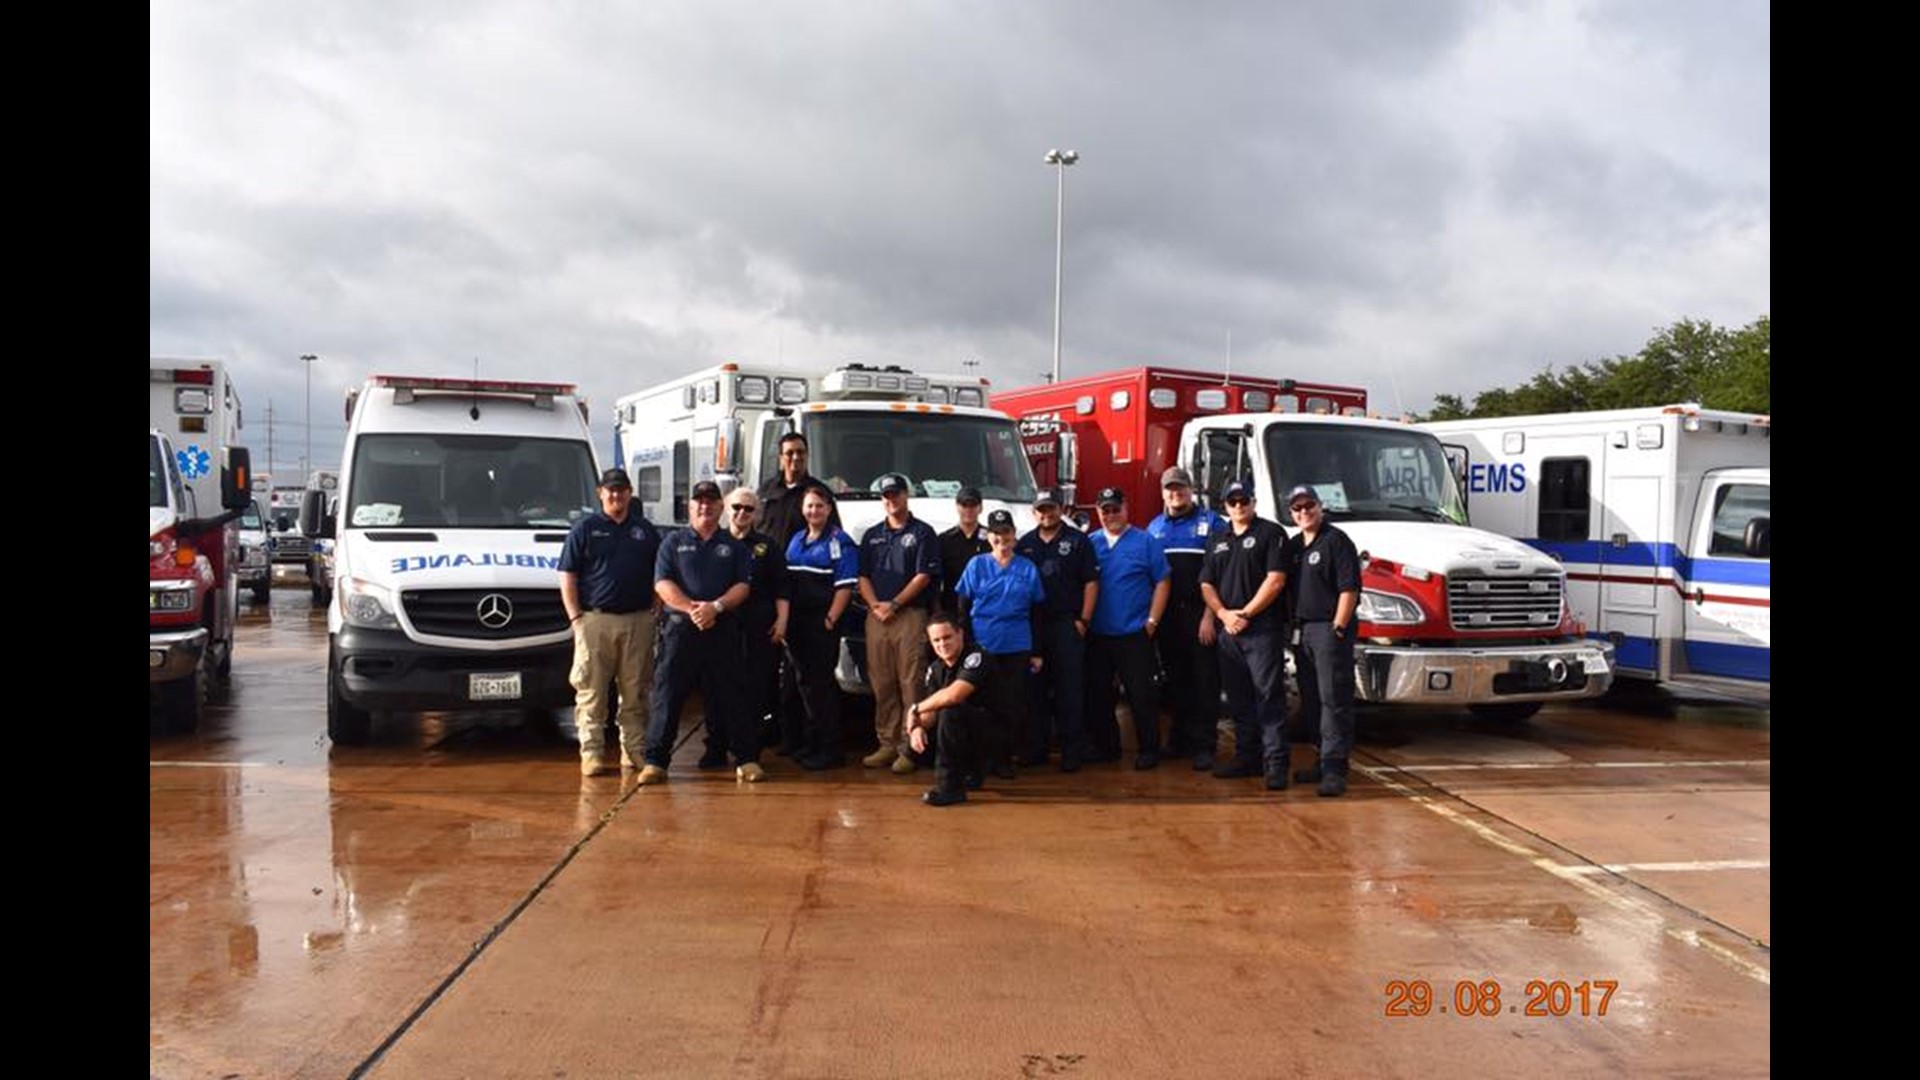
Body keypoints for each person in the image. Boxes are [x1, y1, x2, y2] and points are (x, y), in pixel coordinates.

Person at [639, 480, 758, 785]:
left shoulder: (734, 547)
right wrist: (692, 609)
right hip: (681, 631)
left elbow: (743, 586)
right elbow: (662, 584)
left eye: (711, 501)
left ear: (721, 507)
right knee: (668, 695)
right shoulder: (673, 542)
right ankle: (655, 761)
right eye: (699, 501)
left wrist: (715, 607)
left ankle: (746, 758)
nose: (705, 506)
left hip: (721, 629)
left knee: (733, 694)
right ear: (690, 507)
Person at [557, 467, 663, 776]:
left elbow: (662, 572)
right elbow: (568, 575)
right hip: (594, 621)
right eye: (610, 490)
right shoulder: (585, 529)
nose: (616, 495)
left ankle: (633, 751)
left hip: (638, 621)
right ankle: (591, 753)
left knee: (635, 691)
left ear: (630, 493)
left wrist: (655, 609)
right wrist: (576, 617)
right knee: (591, 691)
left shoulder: (645, 531)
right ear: (601, 493)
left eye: (621, 489)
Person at [1198, 478, 1291, 788]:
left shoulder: (1270, 533)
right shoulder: (1217, 538)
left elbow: (1275, 580)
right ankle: (1246, 758)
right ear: (1224, 505)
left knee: (1268, 697)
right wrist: (1223, 614)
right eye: (1232, 501)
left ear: (1253, 501)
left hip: (1261, 629)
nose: (1239, 506)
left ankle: (1275, 764)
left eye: (1244, 500)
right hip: (1229, 631)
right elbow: (1207, 583)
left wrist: (1247, 613)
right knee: (1238, 699)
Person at [1281, 484, 1362, 797]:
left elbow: (1349, 589)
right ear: (1291, 513)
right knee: (1312, 700)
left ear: (1320, 507)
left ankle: (1335, 768)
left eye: (1309, 506)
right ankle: (1320, 759)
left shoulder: (1336, 542)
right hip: (1302, 633)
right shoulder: (1294, 546)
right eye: (1297, 508)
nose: (1304, 512)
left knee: (1333, 700)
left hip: (1328, 631)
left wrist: (1338, 627)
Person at [857, 472, 941, 773]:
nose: (891, 500)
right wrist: (875, 606)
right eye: (886, 496)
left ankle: (909, 746)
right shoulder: (872, 535)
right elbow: (862, 576)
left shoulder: (922, 533)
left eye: (896, 494)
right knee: (882, 682)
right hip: (876, 615)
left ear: (906, 495)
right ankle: (887, 743)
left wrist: (894, 604)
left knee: (911, 682)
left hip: (909, 615)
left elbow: (923, 576)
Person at [696, 487, 788, 767]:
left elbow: (782, 588)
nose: (742, 513)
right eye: (737, 507)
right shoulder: (713, 543)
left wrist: (782, 621)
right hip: (720, 628)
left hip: (758, 628)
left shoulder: (767, 546)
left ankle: (749, 752)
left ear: (757, 513)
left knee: (755, 691)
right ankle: (716, 747)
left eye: (749, 509)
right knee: (715, 690)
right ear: (726, 508)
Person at [952, 509, 1046, 780]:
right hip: (983, 644)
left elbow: (1038, 612)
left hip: (1017, 645)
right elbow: (962, 606)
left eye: (1006, 532)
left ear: (1014, 536)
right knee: (980, 704)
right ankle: (980, 760)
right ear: (988, 536)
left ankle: (1004, 759)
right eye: (996, 533)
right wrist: (966, 644)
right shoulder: (977, 565)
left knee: (1011, 705)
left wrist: (1037, 651)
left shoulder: (1027, 568)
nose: (1001, 538)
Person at [1146, 466, 1228, 770]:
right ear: (1162, 492)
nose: (1175, 493)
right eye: (1169, 488)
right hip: (1168, 617)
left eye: (1180, 487)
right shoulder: (1154, 528)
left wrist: (1210, 615)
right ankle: (1179, 740)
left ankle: (1204, 745)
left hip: (1200, 614)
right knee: (1176, 679)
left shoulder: (1212, 523)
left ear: (1191, 490)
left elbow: (1218, 572)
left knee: (1205, 682)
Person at [1084, 487, 1171, 769]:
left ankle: (1149, 749)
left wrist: (1152, 621)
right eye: (1105, 510)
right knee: (1099, 694)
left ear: (1126, 507)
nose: (1111, 515)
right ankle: (1106, 747)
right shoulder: (1091, 543)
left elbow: (1162, 581)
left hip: (1134, 633)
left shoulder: (1146, 541)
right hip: (1098, 633)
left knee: (1140, 695)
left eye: (1115, 508)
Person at [1015, 487, 1100, 770]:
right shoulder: (1024, 544)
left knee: (1070, 689)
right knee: (1034, 689)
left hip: (1067, 624)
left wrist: (1084, 620)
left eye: (1051, 507)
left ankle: (1071, 751)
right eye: (1041, 509)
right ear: (1033, 512)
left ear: (1061, 509)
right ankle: (1036, 748)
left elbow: (1091, 582)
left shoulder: (1077, 541)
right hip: (1033, 627)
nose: (1046, 513)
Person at [782, 485, 857, 770]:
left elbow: (845, 586)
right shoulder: (798, 539)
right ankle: (811, 743)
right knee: (803, 685)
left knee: (821, 686)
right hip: (797, 624)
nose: (814, 511)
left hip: (821, 623)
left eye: (820, 506)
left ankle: (830, 749)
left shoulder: (840, 541)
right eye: (809, 506)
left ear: (829, 508)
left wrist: (830, 620)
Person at [903, 613, 992, 807]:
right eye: (936, 640)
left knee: (951, 711)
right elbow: (931, 710)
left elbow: (954, 695)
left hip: (992, 735)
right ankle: (966, 774)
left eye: (947, 637)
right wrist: (918, 727)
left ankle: (950, 788)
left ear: (960, 634)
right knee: (911, 745)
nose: (942, 644)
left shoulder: (976, 657)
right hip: (963, 732)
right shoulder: (936, 668)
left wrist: (915, 709)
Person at [936, 487, 991, 627]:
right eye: (964, 505)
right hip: (951, 608)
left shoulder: (991, 539)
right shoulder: (944, 540)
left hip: (983, 609)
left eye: (973, 505)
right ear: (957, 507)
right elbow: (936, 578)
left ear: (980, 508)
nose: (968, 509)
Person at [756, 431, 821, 549]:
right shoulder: (766, 490)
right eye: (789, 453)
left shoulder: (819, 492)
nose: (795, 457)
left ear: (807, 455)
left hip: (800, 563)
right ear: (781, 458)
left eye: (800, 452)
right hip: (767, 561)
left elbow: (832, 533)